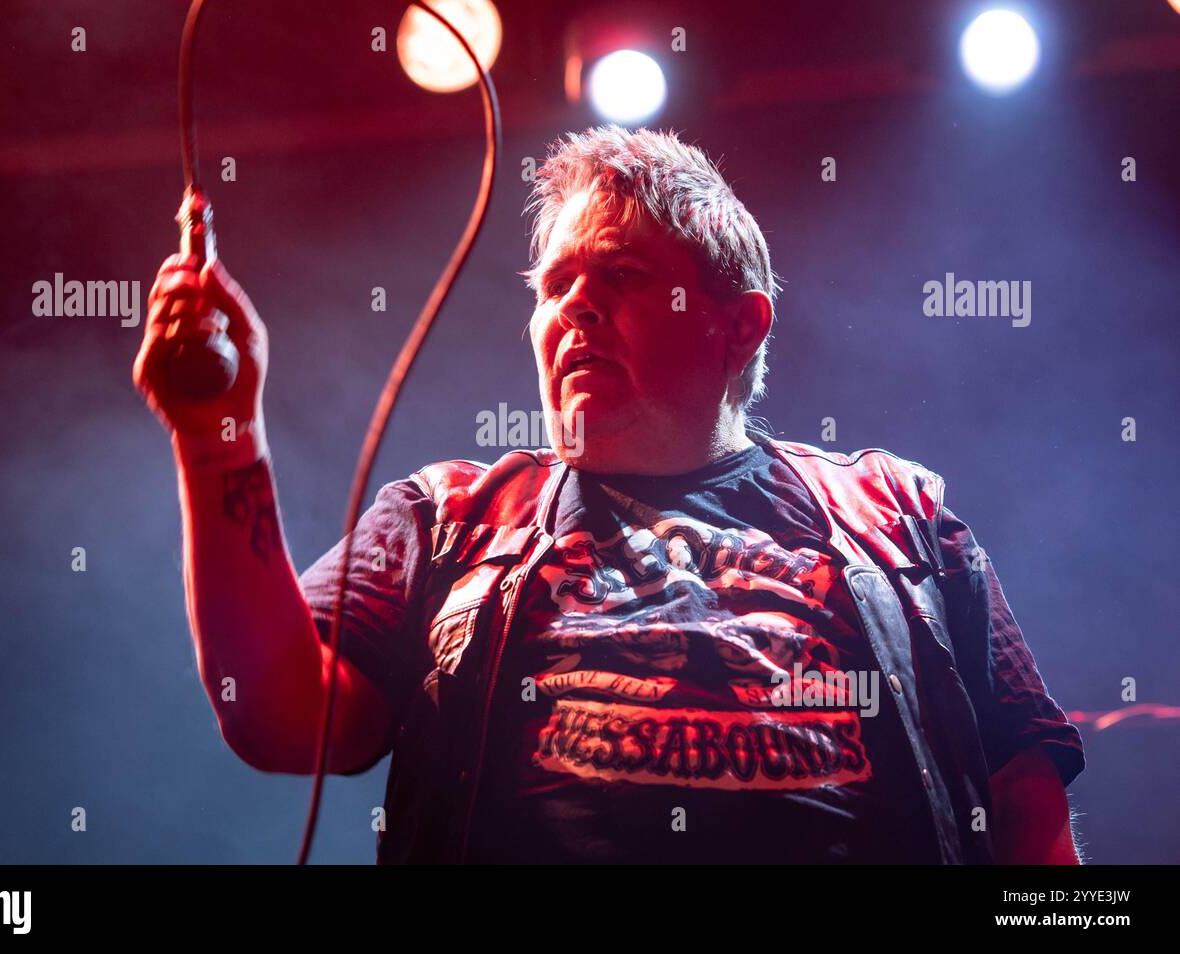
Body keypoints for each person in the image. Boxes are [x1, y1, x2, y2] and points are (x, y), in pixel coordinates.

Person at [133, 124, 1084, 864]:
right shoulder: (448, 517)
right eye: (555, 286)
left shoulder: (897, 512)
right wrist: (218, 433)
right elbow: (276, 717)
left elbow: (1026, 789)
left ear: (738, 326)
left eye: (622, 275)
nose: (574, 308)